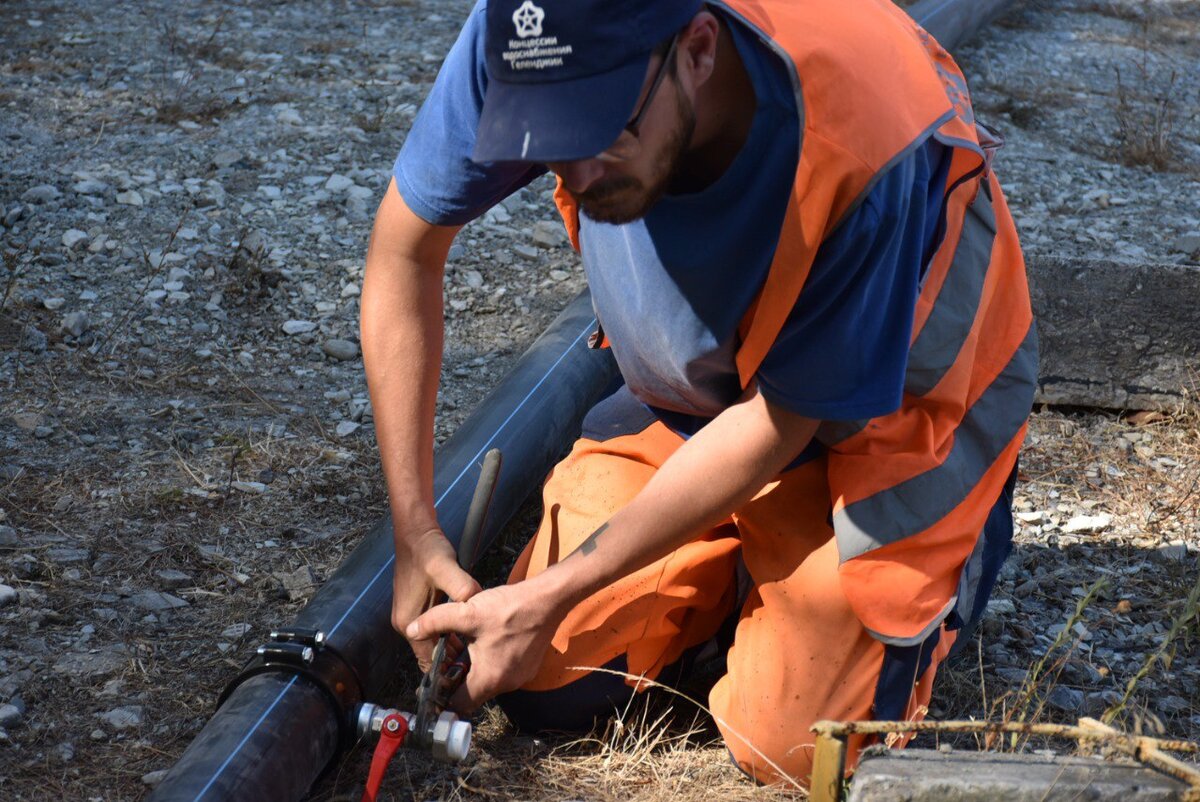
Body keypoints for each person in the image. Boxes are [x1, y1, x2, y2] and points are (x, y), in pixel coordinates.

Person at [360, 0, 1037, 785]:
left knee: (796, 751)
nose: (576, 177)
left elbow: (780, 422)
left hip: (892, 415)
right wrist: (416, 529)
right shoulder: (529, 36)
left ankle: (907, 569)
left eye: (604, 129)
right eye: (552, 143)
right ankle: (733, 575)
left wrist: (552, 592)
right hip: (707, 396)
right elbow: (403, 253)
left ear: (699, 50)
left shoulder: (862, 132)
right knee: (545, 686)